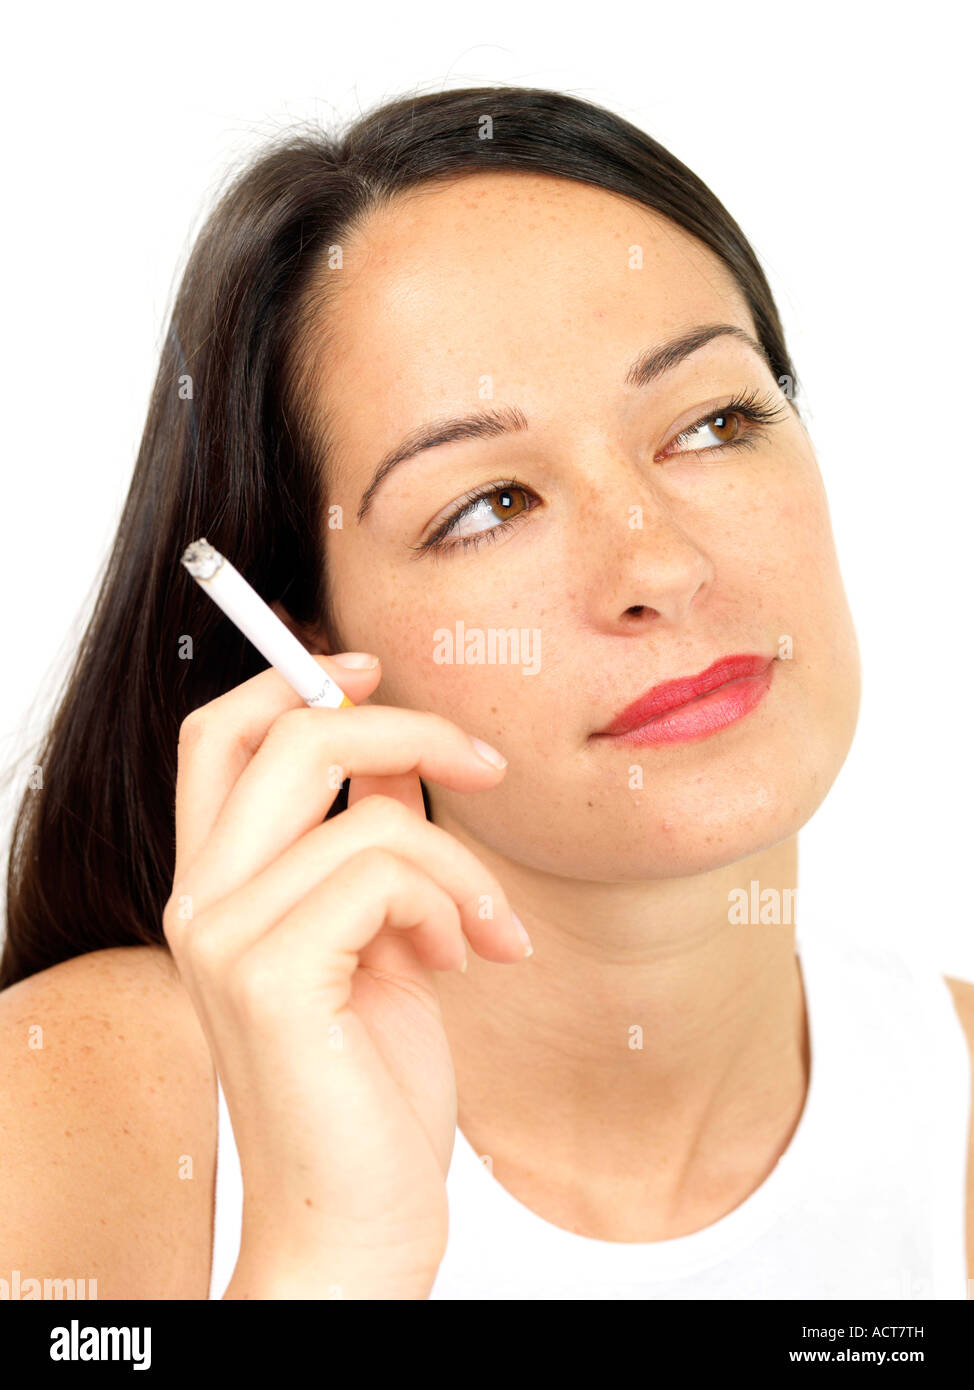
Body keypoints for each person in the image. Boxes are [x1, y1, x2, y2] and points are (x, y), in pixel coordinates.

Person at [1, 85, 971, 1300]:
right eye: (486, 507)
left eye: (715, 421)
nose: (657, 565)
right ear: (307, 646)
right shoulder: (68, 1108)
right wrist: (331, 1256)